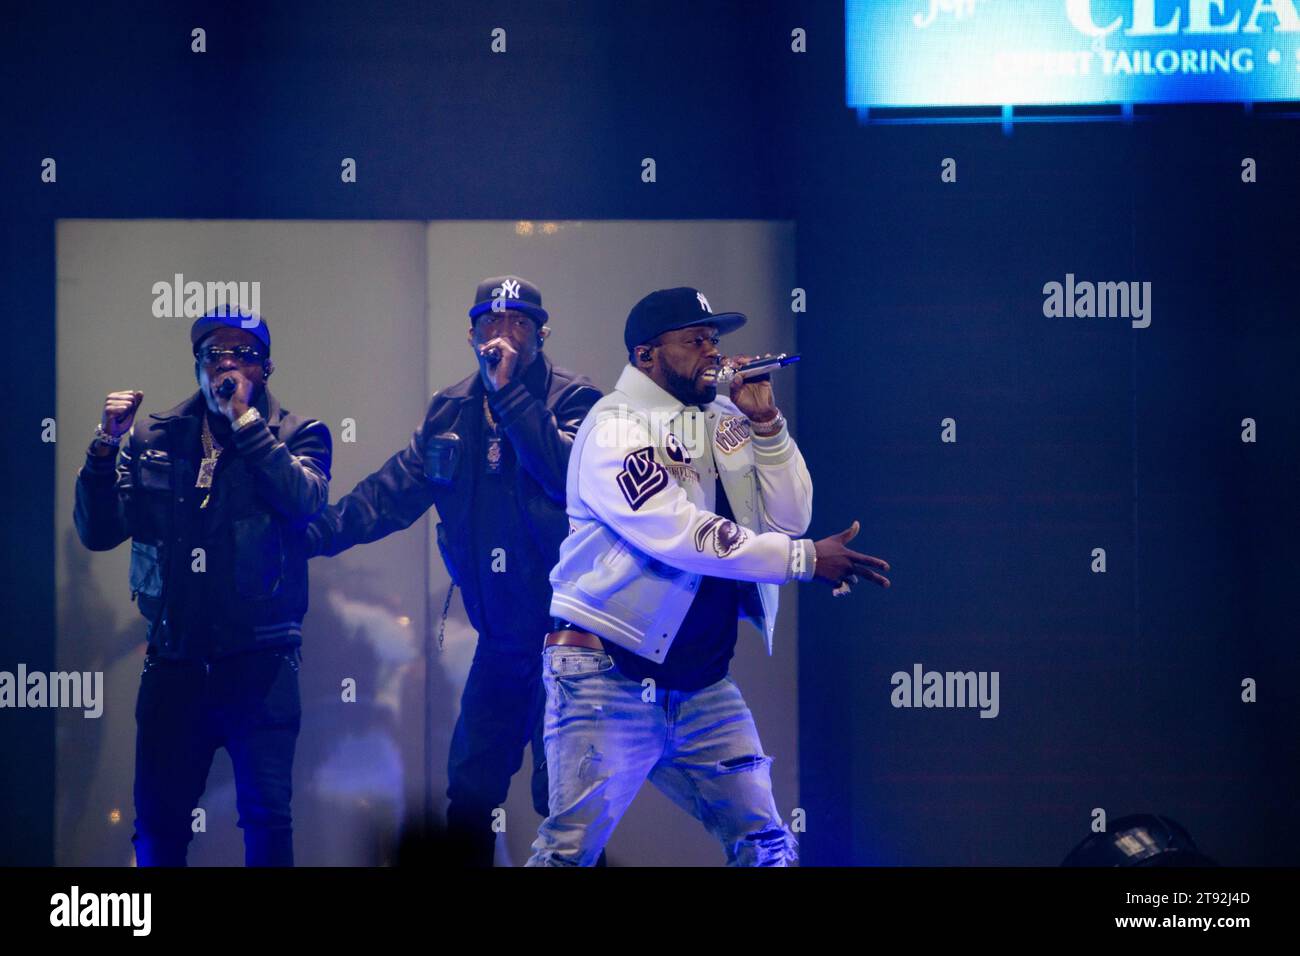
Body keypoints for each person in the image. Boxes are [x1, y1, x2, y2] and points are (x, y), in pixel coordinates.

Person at [527, 287, 890, 866]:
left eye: (714, 340)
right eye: (694, 340)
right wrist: (802, 560)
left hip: (701, 681)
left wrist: (767, 424)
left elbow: (789, 517)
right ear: (647, 355)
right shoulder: (613, 427)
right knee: (568, 852)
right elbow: (678, 533)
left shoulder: (723, 419)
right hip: (607, 673)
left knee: (766, 843)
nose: (713, 352)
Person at [306, 275, 601, 865]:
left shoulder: (576, 401)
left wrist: (511, 394)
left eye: (519, 323)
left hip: (568, 641)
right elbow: (390, 494)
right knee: (470, 791)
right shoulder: (452, 410)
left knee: (563, 797)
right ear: (471, 333)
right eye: (491, 324)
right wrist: (310, 536)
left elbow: (566, 477)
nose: (504, 336)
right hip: (499, 641)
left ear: (542, 335)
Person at [74, 310, 332, 866]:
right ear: (197, 365)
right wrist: (103, 449)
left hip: (260, 666)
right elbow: (99, 532)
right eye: (215, 353)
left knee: (266, 824)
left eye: (243, 354)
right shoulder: (155, 435)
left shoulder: (298, 434)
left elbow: (304, 502)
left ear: (265, 368)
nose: (228, 363)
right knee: (159, 831)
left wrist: (243, 423)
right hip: (175, 665)